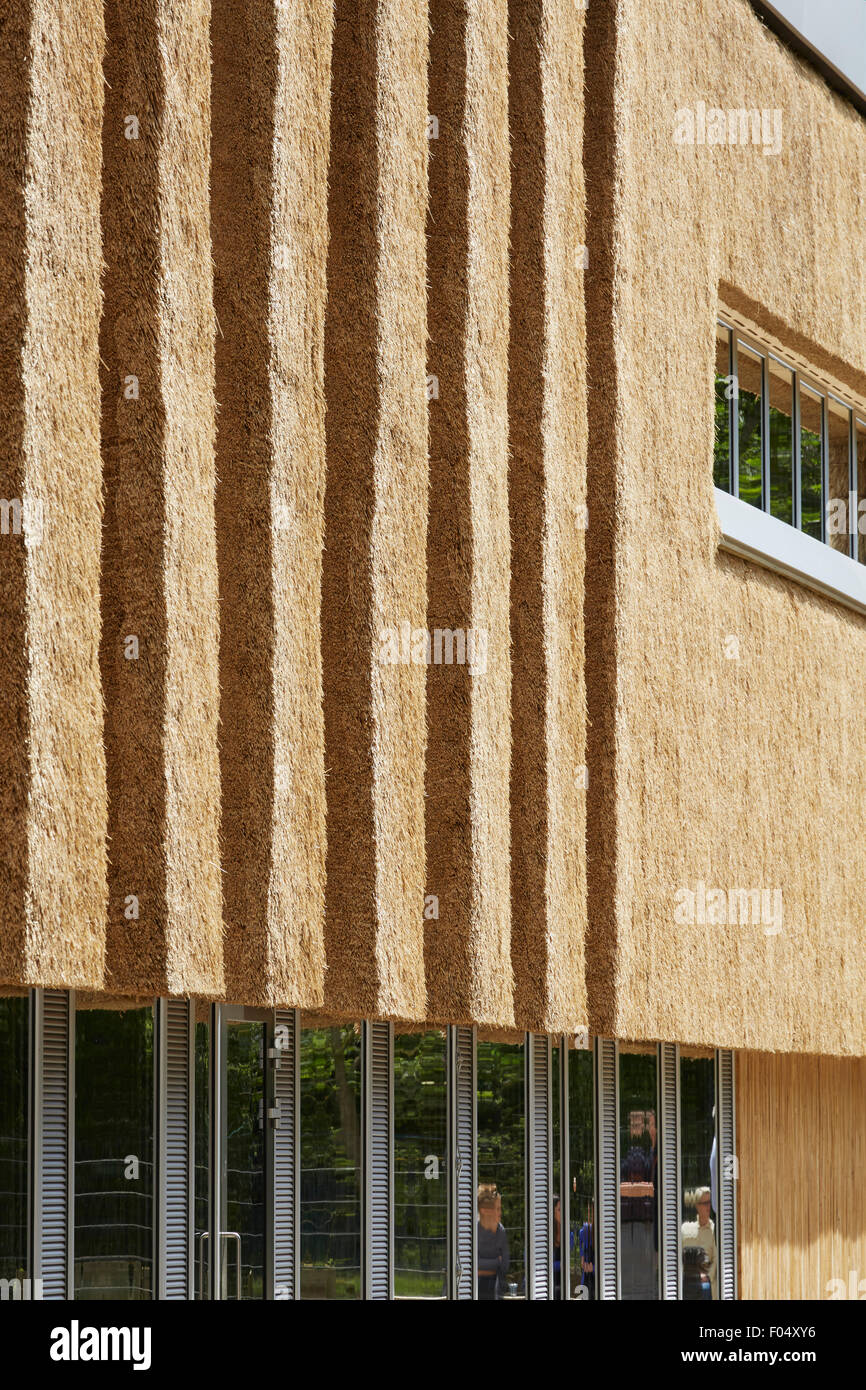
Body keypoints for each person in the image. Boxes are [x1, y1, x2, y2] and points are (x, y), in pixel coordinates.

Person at [681, 1186, 718, 1299]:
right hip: (688, 1278)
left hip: (705, 1282)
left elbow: (717, 1258)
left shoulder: (714, 1230)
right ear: (697, 1206)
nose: (708, 1207)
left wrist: (707, 1276)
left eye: (709, 1203)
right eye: (705, 1203)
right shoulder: (686, 1229)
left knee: (704, 1287)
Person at [477, 1185, 510, 1299]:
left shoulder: (501, 1231)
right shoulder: (472, 1231)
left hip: (495, 1286)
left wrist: (481, 1269)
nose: (500, 1212)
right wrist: (496, 1262)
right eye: (497, 1209)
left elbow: (505, 1265)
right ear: (485, 1210)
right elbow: (470, 1265)